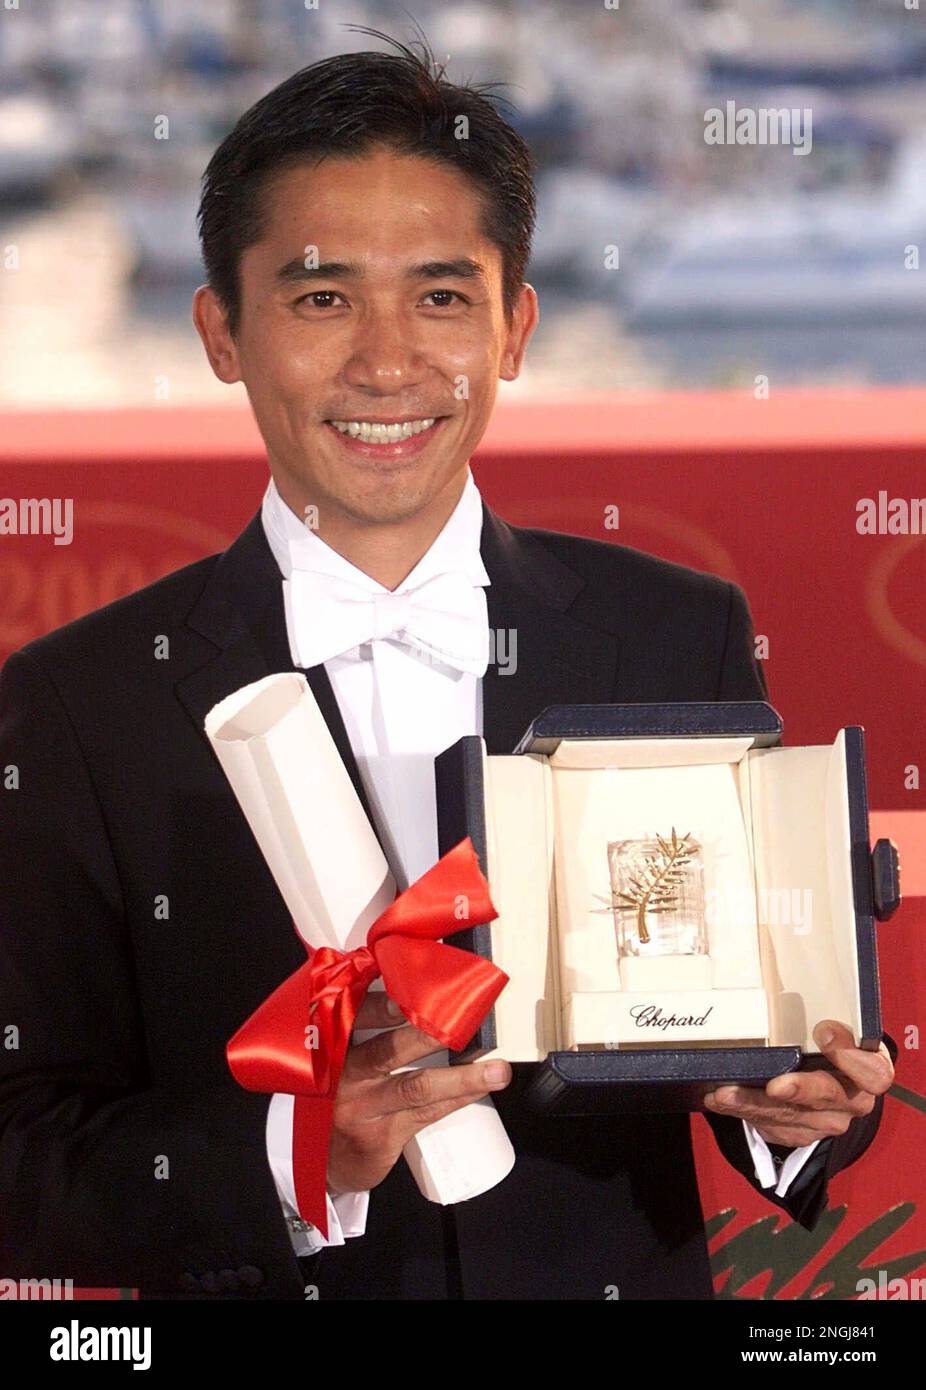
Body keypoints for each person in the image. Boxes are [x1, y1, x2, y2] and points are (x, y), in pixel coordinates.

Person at [0, 33, 894, 1301]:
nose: (385, 361)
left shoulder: (668, 629)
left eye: (440, 294)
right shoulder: (79, 701)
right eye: (319, 298)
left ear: (515, 324)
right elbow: (22, 1152)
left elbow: (748, 1023)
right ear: (220, 330)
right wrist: (297, 1147)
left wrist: (795, 1108)